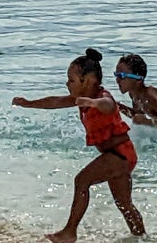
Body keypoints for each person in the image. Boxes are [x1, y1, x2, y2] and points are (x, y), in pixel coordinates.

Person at [11, 48, 145, 241]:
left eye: (71, 80)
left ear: (88, 81)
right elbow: (55, 102)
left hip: (120, 154)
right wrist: (29, 103)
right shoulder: (79, 99)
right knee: (124, 204)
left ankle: (70, 232)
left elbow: (109, 105)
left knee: (81, 181)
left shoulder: (101, 97)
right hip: (121, 155)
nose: (67, 84)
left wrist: (93, 103)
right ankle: (141, 237)